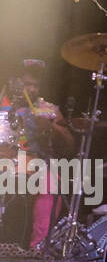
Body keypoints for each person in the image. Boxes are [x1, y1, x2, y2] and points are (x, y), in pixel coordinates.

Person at [0, 59, 73, 249]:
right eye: (27, 84)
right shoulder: (2, 105)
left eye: (36, 85)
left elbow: (69, 147)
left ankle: (38, 248)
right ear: (14, 83)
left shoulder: (47, 109)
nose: (32, 89)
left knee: (52, 182)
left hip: (34, 167)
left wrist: (51, 128)